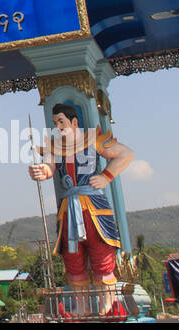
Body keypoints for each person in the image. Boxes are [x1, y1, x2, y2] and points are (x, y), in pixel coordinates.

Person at [28, 103, 134, 316]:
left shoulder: (94, 139)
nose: (58, 126)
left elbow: (125, 154)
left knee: (102, 256)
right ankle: (82, 306)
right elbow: (50, 167)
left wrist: (106, 177)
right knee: (73, 260)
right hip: (69, 210)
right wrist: (42, 171)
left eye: (62, 121)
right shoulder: (54, 146)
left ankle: (107, 303)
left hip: (94, 207)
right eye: (55, 122)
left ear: (74, 122)